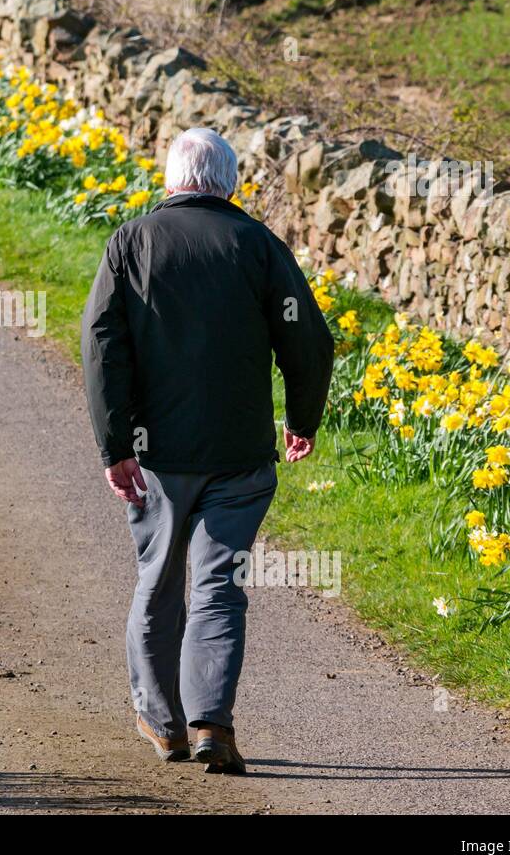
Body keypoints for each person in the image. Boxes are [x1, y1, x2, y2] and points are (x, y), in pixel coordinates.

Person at [81, 127, 334, 773]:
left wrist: (115, 444)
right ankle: (211, 726)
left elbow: (102, 347)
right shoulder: (257, 245)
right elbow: (309, 339)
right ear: (228, 182)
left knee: (158, 579)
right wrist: (301, 416)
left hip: (154, 455)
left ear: (171, 180)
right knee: (220, 584)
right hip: (240, 456)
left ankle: (162, 724)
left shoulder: (130, 244)